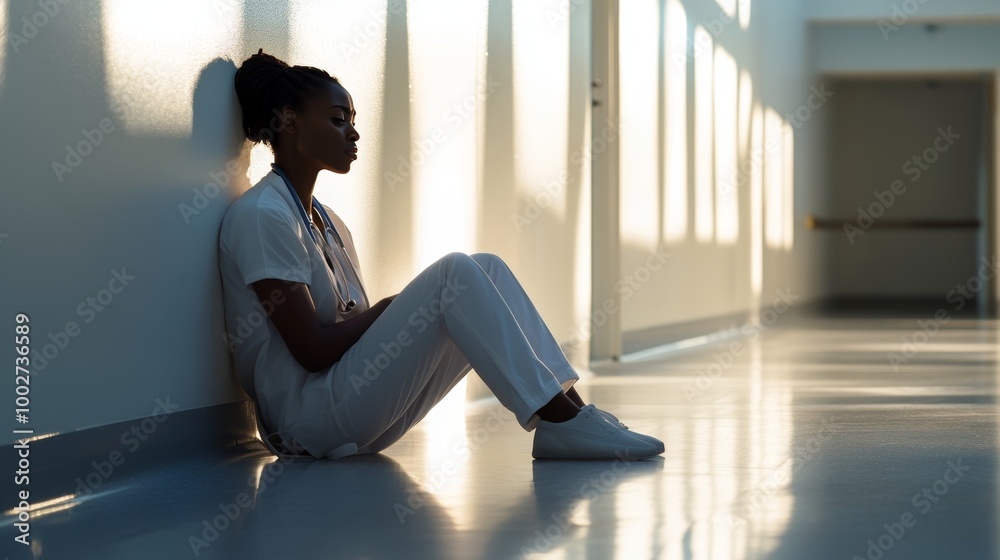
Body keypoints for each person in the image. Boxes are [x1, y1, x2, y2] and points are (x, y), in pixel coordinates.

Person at [219, 48, 664, 461]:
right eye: (338, 120)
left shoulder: (328, 220)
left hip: (351, 412)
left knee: (484, 267)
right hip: (305, 423)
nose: (354, 133)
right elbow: (313, 351)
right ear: (290, 122)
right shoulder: (263, 215)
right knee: (454, 274)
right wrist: (392, 310)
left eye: (353, 120)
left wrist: (389, 316)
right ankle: (564, 422)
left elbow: (349, 330)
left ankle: (568, 416)